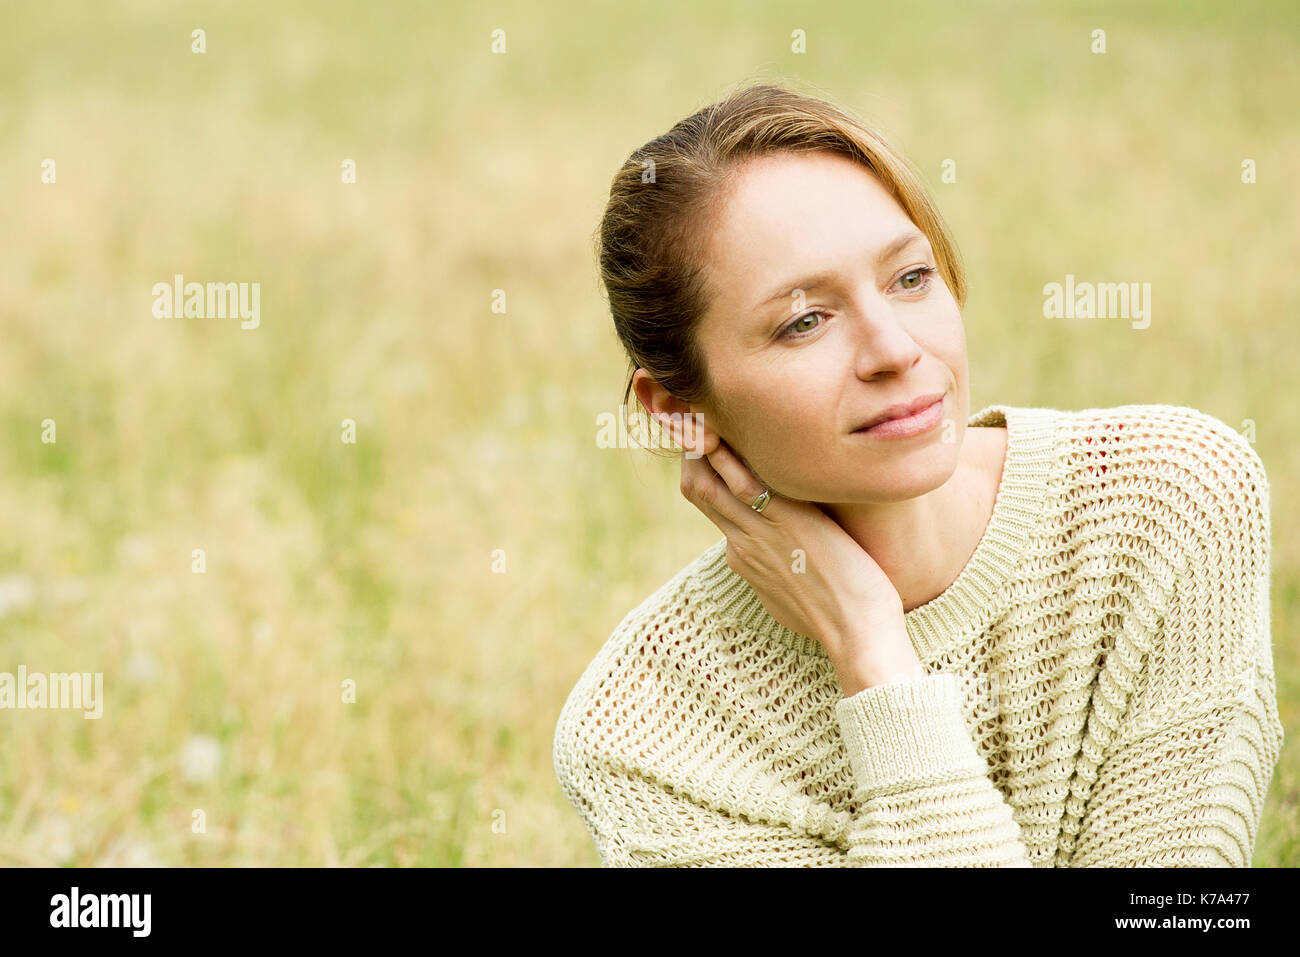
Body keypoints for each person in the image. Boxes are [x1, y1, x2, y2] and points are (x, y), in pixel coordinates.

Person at [553, 80, 1283, 866]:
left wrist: (872, 641)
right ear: (676, 411)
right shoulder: (643, 730)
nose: (897, 348)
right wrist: (873, 654)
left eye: (910, 278)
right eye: (804, 322)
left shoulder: (1170, 499)